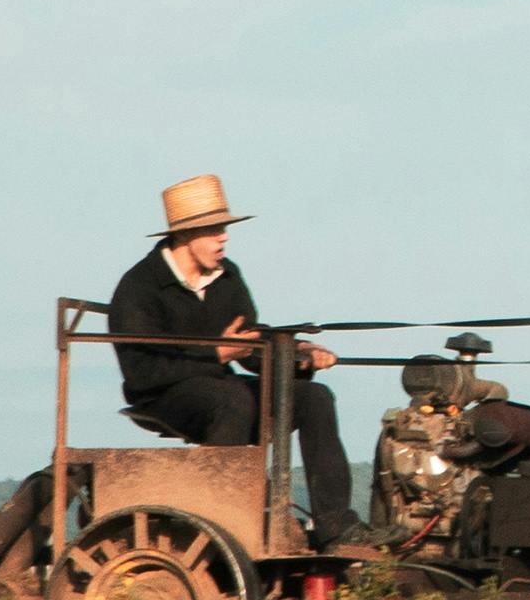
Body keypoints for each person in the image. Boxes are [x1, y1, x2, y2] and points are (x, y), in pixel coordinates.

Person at [107, 173, 373, 548]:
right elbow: (142, 373)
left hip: (220, 387)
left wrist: (300, 358)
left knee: (314, 398)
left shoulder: (228, 276)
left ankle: (335, 526)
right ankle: (222, 525)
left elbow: (249, 347)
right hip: (162, 396)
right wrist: (216, 354)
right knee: (233, 400)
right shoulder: (139, 288)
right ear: (185, 236)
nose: (224, 238)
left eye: (224, 229)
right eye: (214, 230)